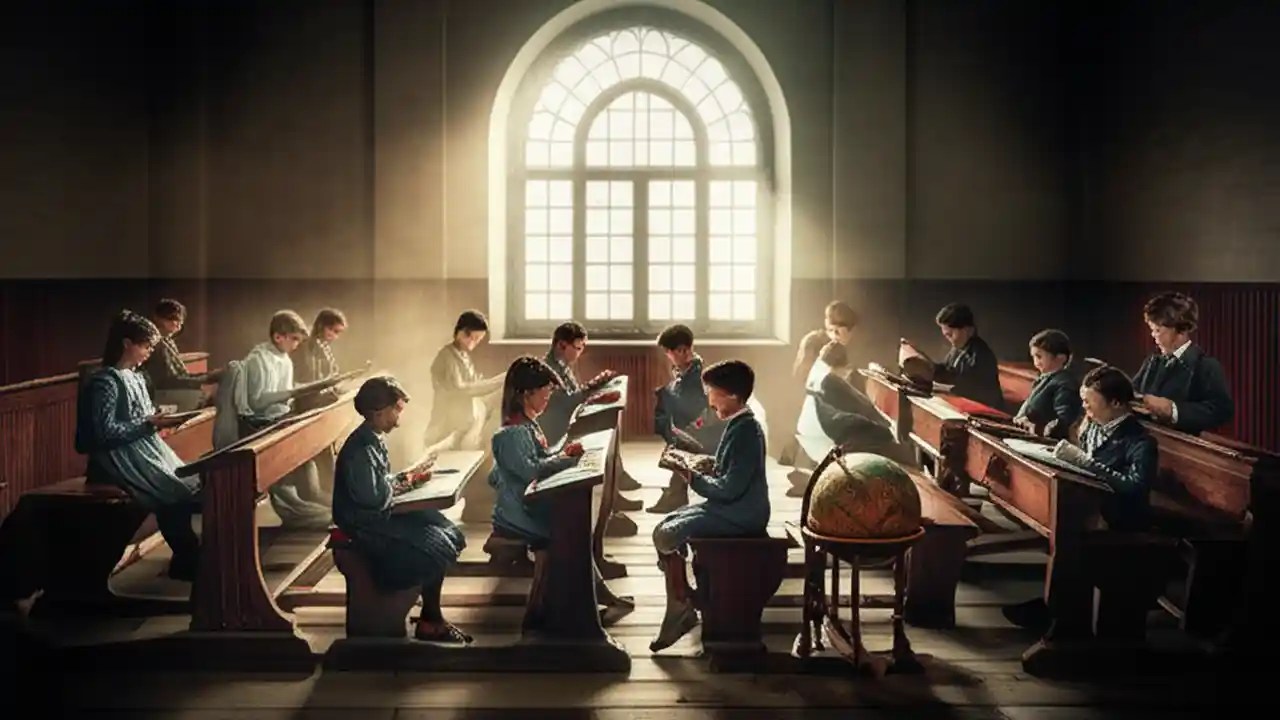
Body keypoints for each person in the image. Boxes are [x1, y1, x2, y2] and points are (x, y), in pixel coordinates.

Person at [1005, 365, 1158, 631]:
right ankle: (1057, 611)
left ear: (1116, 402)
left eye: (1090, 401)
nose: (1084, 406)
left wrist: (1087, 464)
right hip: (1092, 509)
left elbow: (1135, 488)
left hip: (1120, 518)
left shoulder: (1140, 441)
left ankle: (1060, 619)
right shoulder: (1093, 426)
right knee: (1065, 528)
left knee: (1071, 538)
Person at [331, 375, 471, 644]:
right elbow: (373, 498)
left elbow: (382, 485)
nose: (399, 417)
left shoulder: (373, 437)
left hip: (377, 515)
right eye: (397, 410)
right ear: (379, 411)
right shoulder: (360, 448)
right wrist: (402, 482)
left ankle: (431, 616)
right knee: (433, 543)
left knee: (444, 528)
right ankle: (423, 616)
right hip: (364, 524)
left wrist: (406, 478)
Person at [487, 356, 633, 608]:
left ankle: (591, 595)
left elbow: (541, 458)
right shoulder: (512, 433)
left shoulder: (527, 425)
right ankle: (584, 601)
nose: (547, 399)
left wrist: (564, 448)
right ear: (526, 393)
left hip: (529, 501)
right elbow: (532, 470)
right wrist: (566, 458)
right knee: (570, 529)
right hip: (518, 511)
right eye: (544, 394)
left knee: (574, 521)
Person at [650, 360, 770, 652]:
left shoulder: (746, 430)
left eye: (712, 392)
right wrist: (704, 465)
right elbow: (728, 469)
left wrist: (692, 477)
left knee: (667, 534)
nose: (709, 398)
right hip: (733, 507)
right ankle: (682, 600)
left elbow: (729, 489)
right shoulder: (739, 424)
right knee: (666, 526)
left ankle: (682, 604)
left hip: (742, 513)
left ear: (731, 395)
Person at [75, 310, 201, 580]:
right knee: (171, 490)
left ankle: (188, 556)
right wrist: (148, 424)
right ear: (126, 343)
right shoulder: (105, 382)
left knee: (184, 484)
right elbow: (103, 433)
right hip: (115, 458)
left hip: (143, 449)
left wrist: (159, 421)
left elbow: (142, 416)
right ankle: (188, 557)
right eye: (145, 346)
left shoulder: (137, 376)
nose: (148, 352)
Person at [1130, 291, 1233, 435]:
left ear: (1181, 330)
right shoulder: (1152, 361)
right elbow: (1134, 392)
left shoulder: (1206, 366)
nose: (1153, 335)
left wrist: (1172, 409)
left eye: (1157, 330)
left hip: (1184, 450)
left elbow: (1221, 411)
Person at [649, 324, 722, 513]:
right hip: (693, 427)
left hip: (704, 431)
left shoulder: (696, 376)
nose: (668, 356)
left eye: (669, 352)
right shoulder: (686, 369)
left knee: (678, 445)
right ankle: (675, 494)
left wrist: (665, 395)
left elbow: (696, 410)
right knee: (676, 441)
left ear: (682, 350)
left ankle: (675, 496)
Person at [798, 341, 909, 463]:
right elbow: (860, 404)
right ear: (841, 366)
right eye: (845, 371)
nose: (846, 375)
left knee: (863, 424)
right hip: (822, 431)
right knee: (878, 434)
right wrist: (887, 425)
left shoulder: (817, 370)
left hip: (809, 426)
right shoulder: (829, 379)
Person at [422, 310, 506, 453]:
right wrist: (497, 382)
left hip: (464, 425)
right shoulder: (446, 357)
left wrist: (501, 380)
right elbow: (463, 390)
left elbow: (476, 385)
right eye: (476, 338)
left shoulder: (463, 356)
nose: (477, 343)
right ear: (463, 333)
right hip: (447, 426)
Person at [905, 302, 1004, 411]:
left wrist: (929, 370)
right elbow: (946, 369)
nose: (948, 339)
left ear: (968, 330)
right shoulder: (958, 348)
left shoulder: (981, 356)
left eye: (951, 334)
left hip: (986, 412)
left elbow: (958, 380)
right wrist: (921, 359)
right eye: (946, 335)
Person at [539, 321, 618, 446]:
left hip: (567, 422)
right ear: (561, 345)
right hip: (554, 431)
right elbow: (567, 402)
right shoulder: (547, 371)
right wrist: (593, 385)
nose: (579, 353)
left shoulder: (564, 367)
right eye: (578, 348)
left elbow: (575, 394)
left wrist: (595, 389)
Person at [141, 298, 223, 411]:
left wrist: (210, 376)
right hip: (160, 394)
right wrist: (206, 379)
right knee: (214, 390)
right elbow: (168, 381)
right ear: (158, 318)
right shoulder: (155, 343)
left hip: (171, 389)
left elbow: (181, 376)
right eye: (173, 318)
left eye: (180, 319)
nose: (178, 323)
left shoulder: (168, 341)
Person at [1012, 329, 1081, 439]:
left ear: (1060, 358)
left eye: (1039, 357)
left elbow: (1064, 424)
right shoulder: (1045, 379)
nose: (1036, 362)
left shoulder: (1065, 384)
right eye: (1033, 357)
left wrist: (1034, 427)